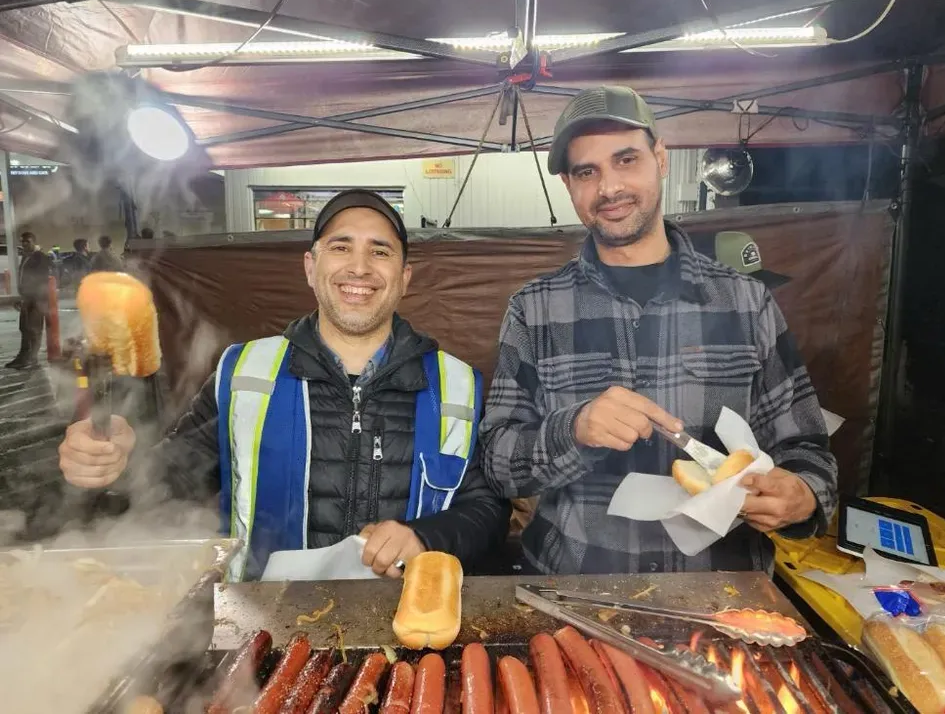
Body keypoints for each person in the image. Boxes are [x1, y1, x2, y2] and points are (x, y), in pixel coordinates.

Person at [58, 190, 510, 581]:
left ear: (405, 278)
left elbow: (488, 509)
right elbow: (173, 480)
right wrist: (118, 466)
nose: (359, 267)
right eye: (340, 247)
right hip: (264, 629)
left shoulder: (457, 384)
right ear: (310, 267)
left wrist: (425, 537)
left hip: (410, 630)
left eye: (380, 251)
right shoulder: (243, 371)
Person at [479, 86, 837, 575]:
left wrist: (802, 494)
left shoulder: (745, 302)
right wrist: (575, 429)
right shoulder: (534, 310)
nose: (609, 188)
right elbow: (497, 464)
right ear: (568, 185)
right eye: (587, 171)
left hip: (722, 594)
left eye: (626, 160)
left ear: (661, 159)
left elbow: (806, 447)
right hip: (576, 590)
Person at [5, 232, 51, 370]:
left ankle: (31, 359)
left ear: (34, 242)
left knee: (33, 329)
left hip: (36, 299)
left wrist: (30, 298)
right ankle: (23, 357)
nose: (24, 244)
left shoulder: (40, 257)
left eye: (27, 242)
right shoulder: (26, 256)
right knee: (24, 328)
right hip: (27, 298)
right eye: (23, 242)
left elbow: (40, 280)